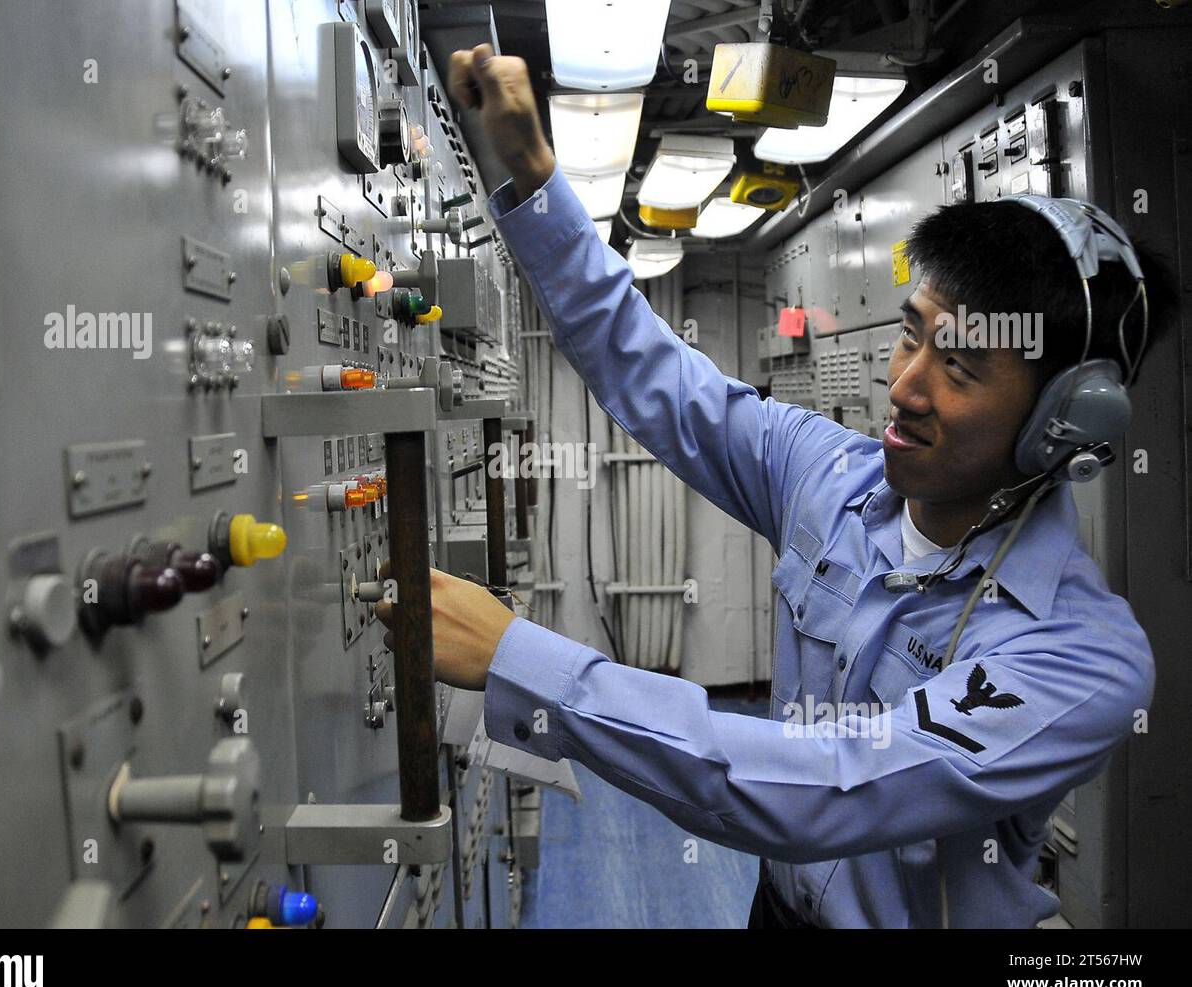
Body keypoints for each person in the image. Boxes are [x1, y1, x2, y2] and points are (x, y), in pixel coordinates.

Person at [377, 44, 1157, 928]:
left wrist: (523, 660)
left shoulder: (1084, 659)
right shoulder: (832, 477)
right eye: (910, 336)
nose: (905, 387)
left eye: (962, 367)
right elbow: (655, 374)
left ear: (1061, 421)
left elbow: (831, 788)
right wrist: (533, 176)